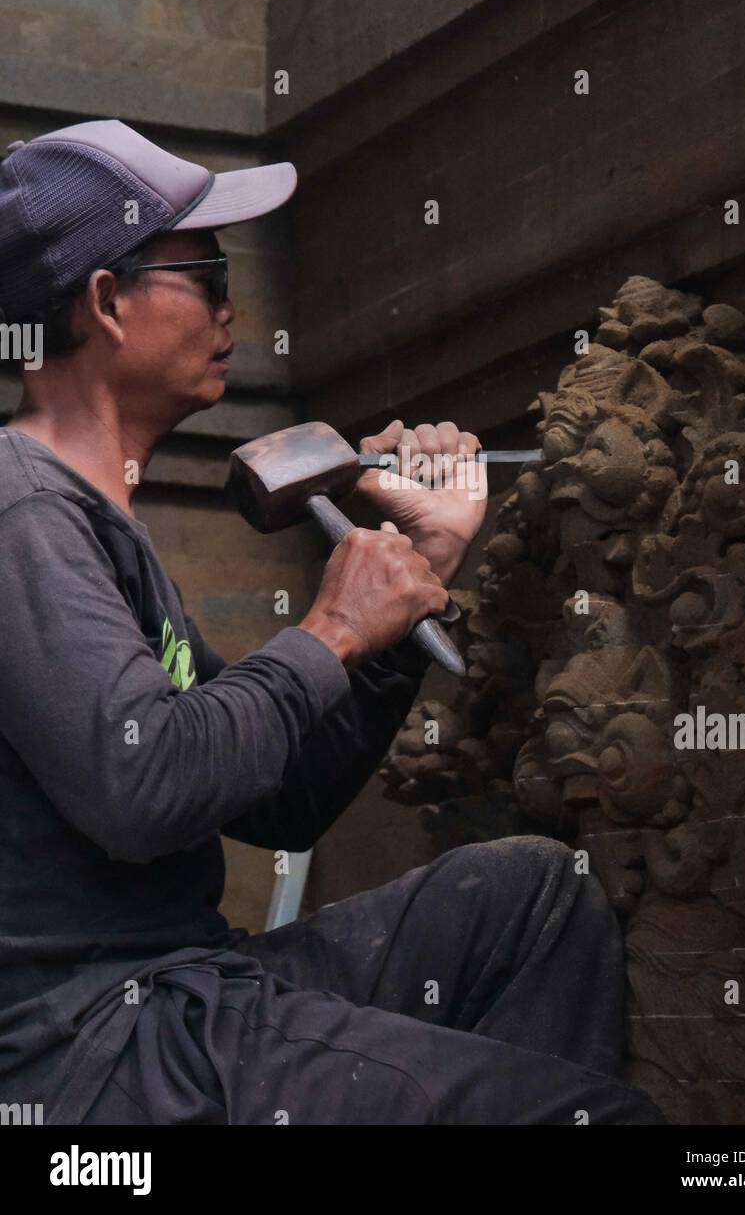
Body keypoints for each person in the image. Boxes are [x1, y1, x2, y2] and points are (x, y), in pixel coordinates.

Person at [0, 120, 665, 1125]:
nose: (231, 305)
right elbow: (145, 786)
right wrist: (329, 627)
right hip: (99, 1047)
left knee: (529, 899)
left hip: (187, 986)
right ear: (106, 301)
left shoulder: (97, 521)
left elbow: (281, 800)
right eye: (203, 272)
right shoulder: (24, 511)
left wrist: (411, 582)